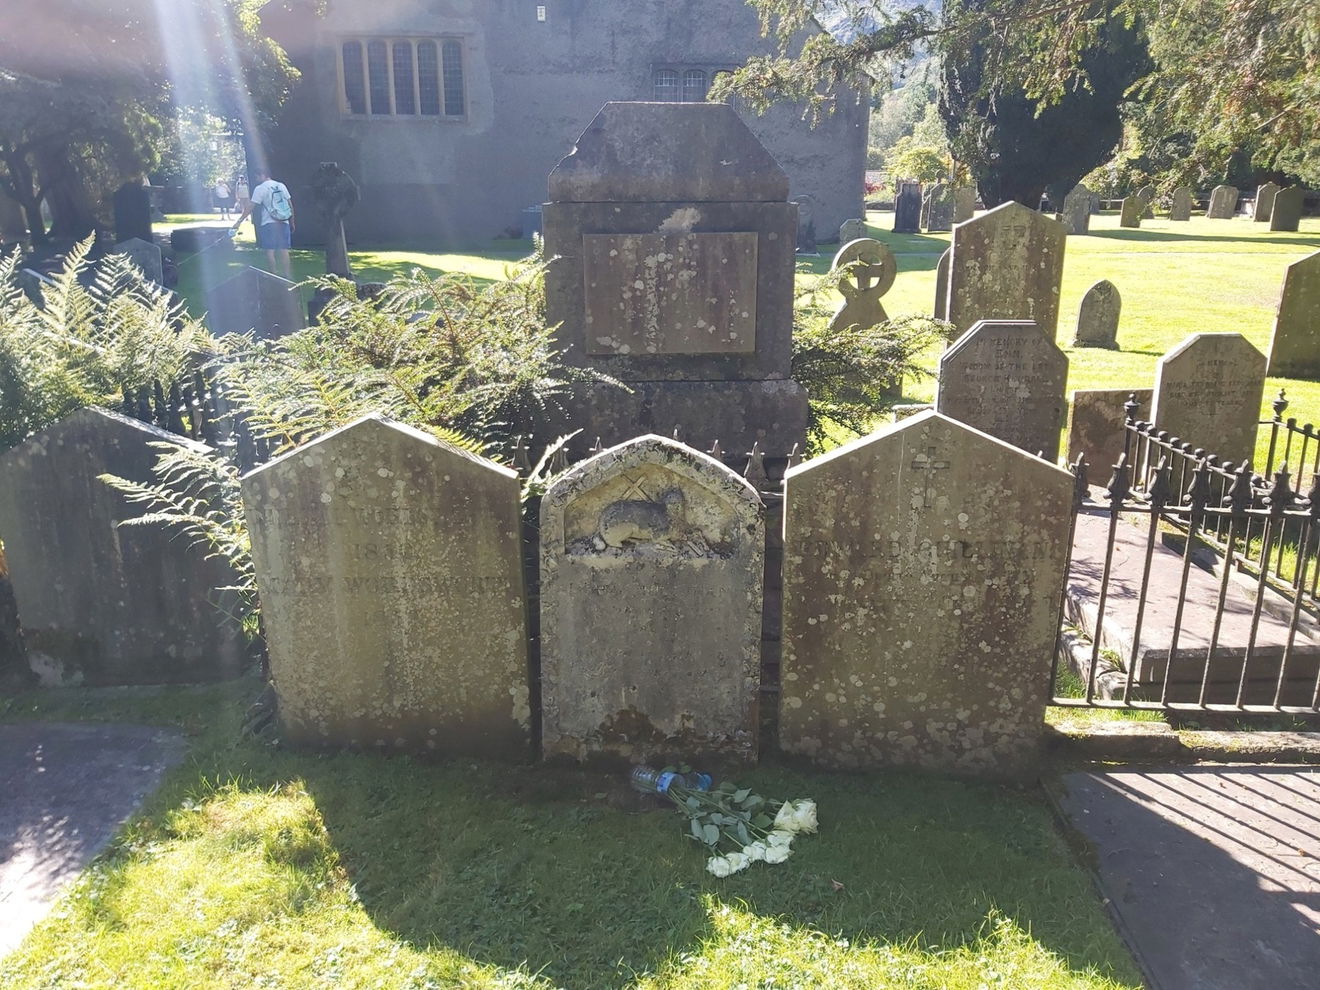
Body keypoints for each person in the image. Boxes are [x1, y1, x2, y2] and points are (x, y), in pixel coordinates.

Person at [233, 169, 294, 278]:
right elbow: (290, 204)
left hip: (269, 222)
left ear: (262, 175)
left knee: (270, 250)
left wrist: (239, 221)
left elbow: (251, 207)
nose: (256, 179)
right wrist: (292, 221)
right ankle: (287, 275)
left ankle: (273, 275)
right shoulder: (281, 185)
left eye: (257, 177)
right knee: (284, 250)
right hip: (283, 221)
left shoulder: (260, 189)